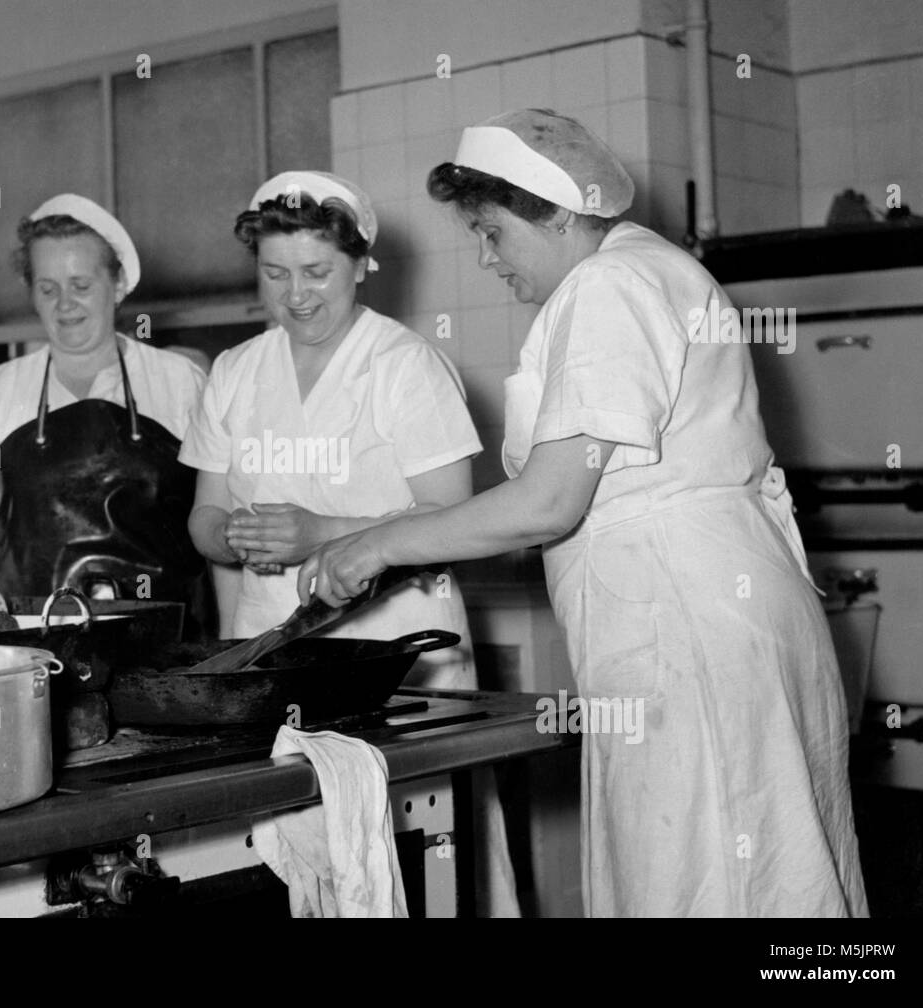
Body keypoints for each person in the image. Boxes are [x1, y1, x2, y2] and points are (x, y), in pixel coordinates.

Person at [298, 110, 869, 918]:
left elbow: (550, 502)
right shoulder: (646, 273)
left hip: (691, 636)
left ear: (562, 210)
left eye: (494, 233)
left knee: (709, 884)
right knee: (764, 879)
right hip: (707, 623)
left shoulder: (611, 286)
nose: (487, 258)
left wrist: (378, 543)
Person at [179, 170, 520, 916]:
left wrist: (318, 534)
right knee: (292, 857)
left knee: (416, 853)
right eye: (275, 274)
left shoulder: (403, 367)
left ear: (361, 265)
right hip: (273, 658)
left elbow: (450, 518)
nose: (296, 294)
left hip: (397, 658)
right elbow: (203, 517)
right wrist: (233, 538)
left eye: (316, 272)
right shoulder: (236, 372)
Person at [0, 194, 207, 607]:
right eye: (48, 289)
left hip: (165, 639)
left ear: (117, 285)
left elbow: (219, 509)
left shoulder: (179, 383)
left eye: (81, 286)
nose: (65, 304)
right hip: (37, 636)